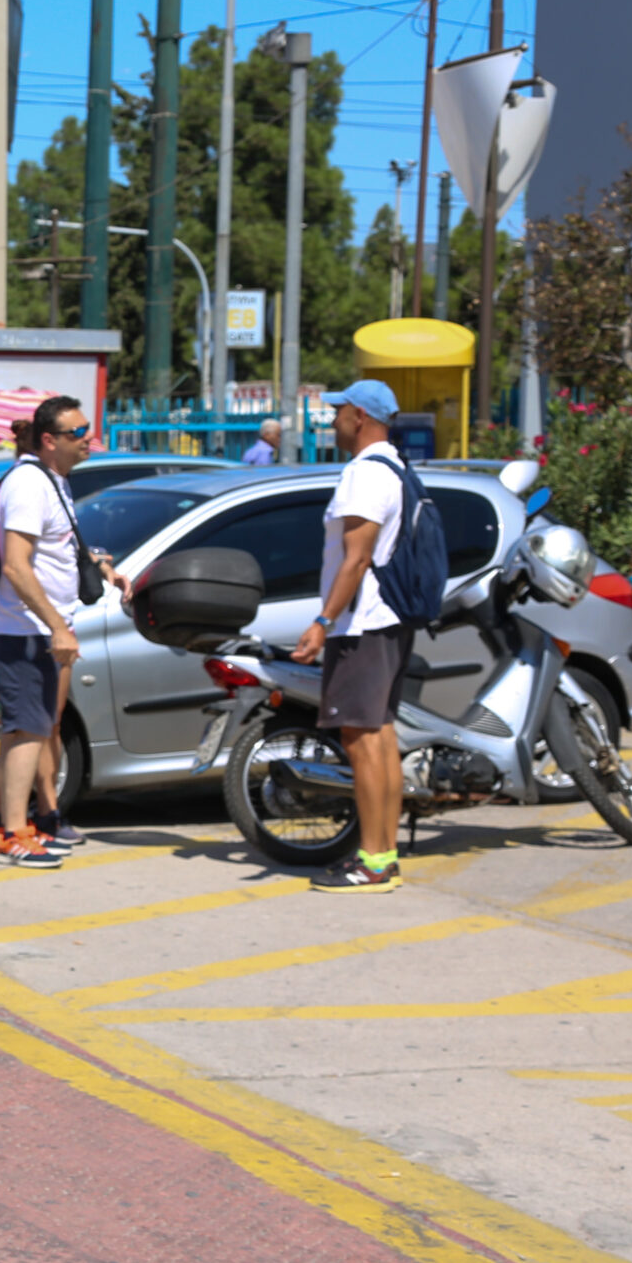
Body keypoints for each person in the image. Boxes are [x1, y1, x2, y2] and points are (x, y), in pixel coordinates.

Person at [0, 396, 123, 868]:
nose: (88, 437)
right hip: (26, 631)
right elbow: (16, 565)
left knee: (31, 729)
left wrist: (101, 569)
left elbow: (52, 553)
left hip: (36, 630)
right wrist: (56, 627)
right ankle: (12, 834)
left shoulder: (53, 481)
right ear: (49, 441)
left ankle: (19, 827)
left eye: (87, 428)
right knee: (26, 732)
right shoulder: (29, 484)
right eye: (77, 432)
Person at [291, 380, 412, 894]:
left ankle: (374, 860)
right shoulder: (396, 467)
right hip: (386, 621)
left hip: (360, 624)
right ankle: (383, 852)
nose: (333, 419)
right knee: (380, 736)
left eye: (338, 411)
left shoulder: (364, 475)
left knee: (361, 741)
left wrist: (323, 620)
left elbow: (356, 557)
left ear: (359, 416)